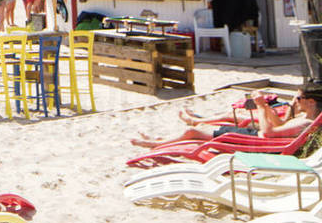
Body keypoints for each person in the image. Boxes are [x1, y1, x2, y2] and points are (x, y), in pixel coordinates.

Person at [131, 87, 322, 149]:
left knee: (193, 132)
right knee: (199, 129)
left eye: (299, 98)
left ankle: (155, 144)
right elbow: (281, 125)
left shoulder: (306, 122)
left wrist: (262, 106)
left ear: (312, 102)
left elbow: (269, 132)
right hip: (253, 136)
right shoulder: (306, 117)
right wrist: (268, 110)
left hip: (254, 141)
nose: (296, 101)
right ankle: (159, 140)